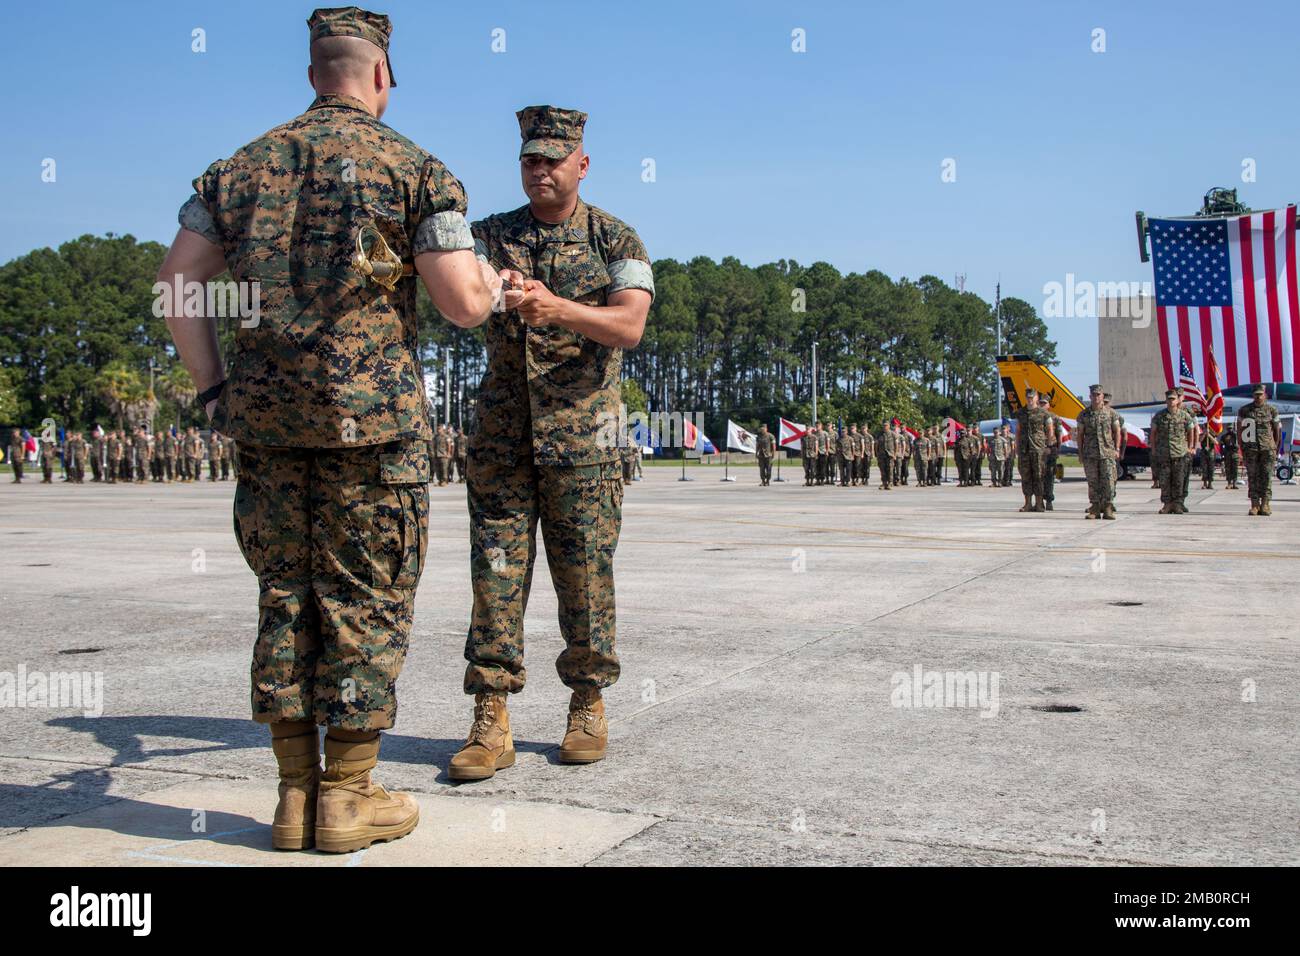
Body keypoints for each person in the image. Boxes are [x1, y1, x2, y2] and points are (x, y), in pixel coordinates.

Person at [158, 5, 499, 852]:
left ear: (314, 75)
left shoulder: (236, 172)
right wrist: (492, 282)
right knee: (366, 601)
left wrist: (214, 394)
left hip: (267, 433)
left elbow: (177, 285)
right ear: (381, 76)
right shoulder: (418, 171)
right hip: (373, 437)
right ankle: (348, 796)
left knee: (284, 600)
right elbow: (461, 305)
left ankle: (292, 798)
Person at [452, 104, 653, 781]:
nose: (540, 169)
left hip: (587, 441)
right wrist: (490, 287)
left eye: (553, 159)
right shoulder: (488, 236)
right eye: (530, 160)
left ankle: (587, 702)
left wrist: (555, 307)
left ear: (582, 164)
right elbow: (460, 296)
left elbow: (628, 327)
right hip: (503, 442)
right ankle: (491, 716)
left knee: (586, 578)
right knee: (495, 578)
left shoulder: (616, 240)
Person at [1076, 384, 1122, 519]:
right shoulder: (1084, 414)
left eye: (1098, 395)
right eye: (1093, 395)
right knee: (1093, 482)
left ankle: (1108, 508)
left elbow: (1117, 432)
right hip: (1090, 454)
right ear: (1090, 397)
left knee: (1109, 481)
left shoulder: (1111, 413)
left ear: (1102, 396)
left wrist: (1117, 449)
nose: (1096, 397)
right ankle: (1095, 508)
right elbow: (1080, 435)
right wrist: (1080, 453)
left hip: (1107, 452)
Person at [1237, 384, 1281, 515]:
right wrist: (1241, 447)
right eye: (1256, 395)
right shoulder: (1244, 410)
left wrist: (1275, 447)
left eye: (1260, 394)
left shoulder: (1271, 410)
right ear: (1253, 395)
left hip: (1267, 449)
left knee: (1267, 476)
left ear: (1265, 395)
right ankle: (1255, 505)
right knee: (1253, 476)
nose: (1258, 397)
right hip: (1250, 449)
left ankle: (1265, 504)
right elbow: (1240, 429)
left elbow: (1276, 430)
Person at [1149, 389, 1195, 514]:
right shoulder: (1159, 416)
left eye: (1173, 399)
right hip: (1164, 454)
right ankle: (1167, 504)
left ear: (1177, 400)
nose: (1171, 401)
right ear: (1166, 400)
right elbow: (1153, 433)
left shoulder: (1184, 416)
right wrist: (1153, 449)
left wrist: (1190, 447)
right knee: (1165, 480)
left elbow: (1191, 431)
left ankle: (1178, 504)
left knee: (1179, 480)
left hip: (1179, 453)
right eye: (1169, 399)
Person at [1015, 388, 1051, 512]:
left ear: (1036, 398)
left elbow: (1050, 429)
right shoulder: (1021, 413)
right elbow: (1018, 431)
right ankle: (1028, 503)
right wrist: (1017, 447)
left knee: (1039, 476)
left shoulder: (1043, 413)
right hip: (1025, 449)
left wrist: (1048, 445)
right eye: (1028, 397)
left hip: (1038, 449)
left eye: (1032, 397)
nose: (1030, 400)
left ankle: (1040, 503)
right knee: (1026, 476)